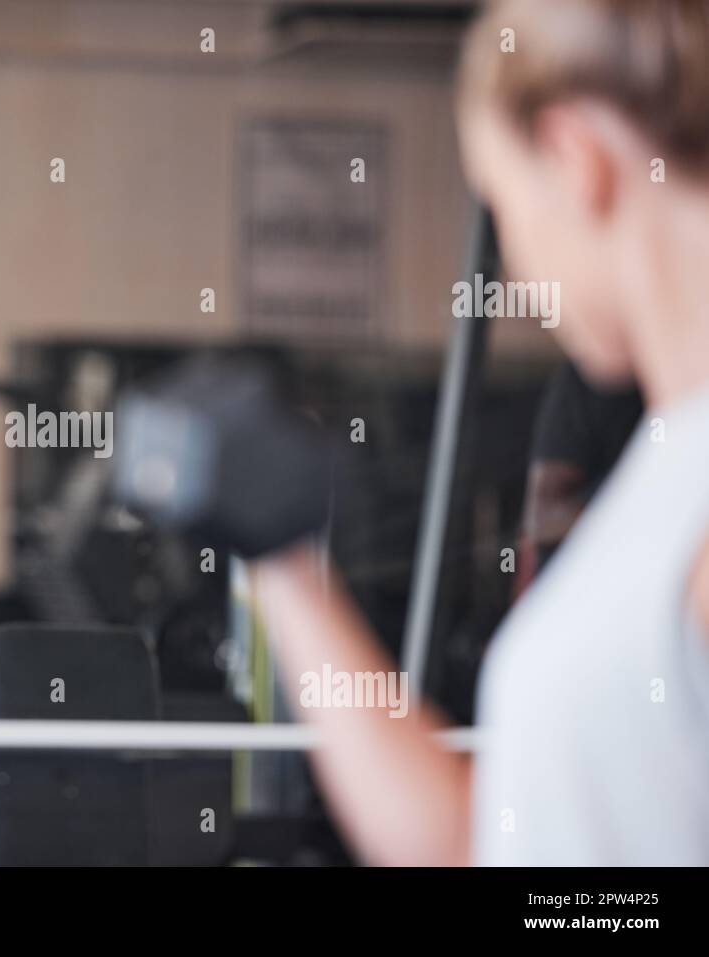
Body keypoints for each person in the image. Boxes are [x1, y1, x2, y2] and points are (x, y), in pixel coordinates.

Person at [251, 0, 709, 865]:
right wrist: (283, 565)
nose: (524, 272)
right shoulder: (668, 462)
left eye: (504, 205)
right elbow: (489, 845)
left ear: (577, 163)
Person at [513, 360, 643, 600]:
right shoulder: (590, 380)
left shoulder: (688, 395)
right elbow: (542, 519)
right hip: (582, 596)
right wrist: (645, 518)